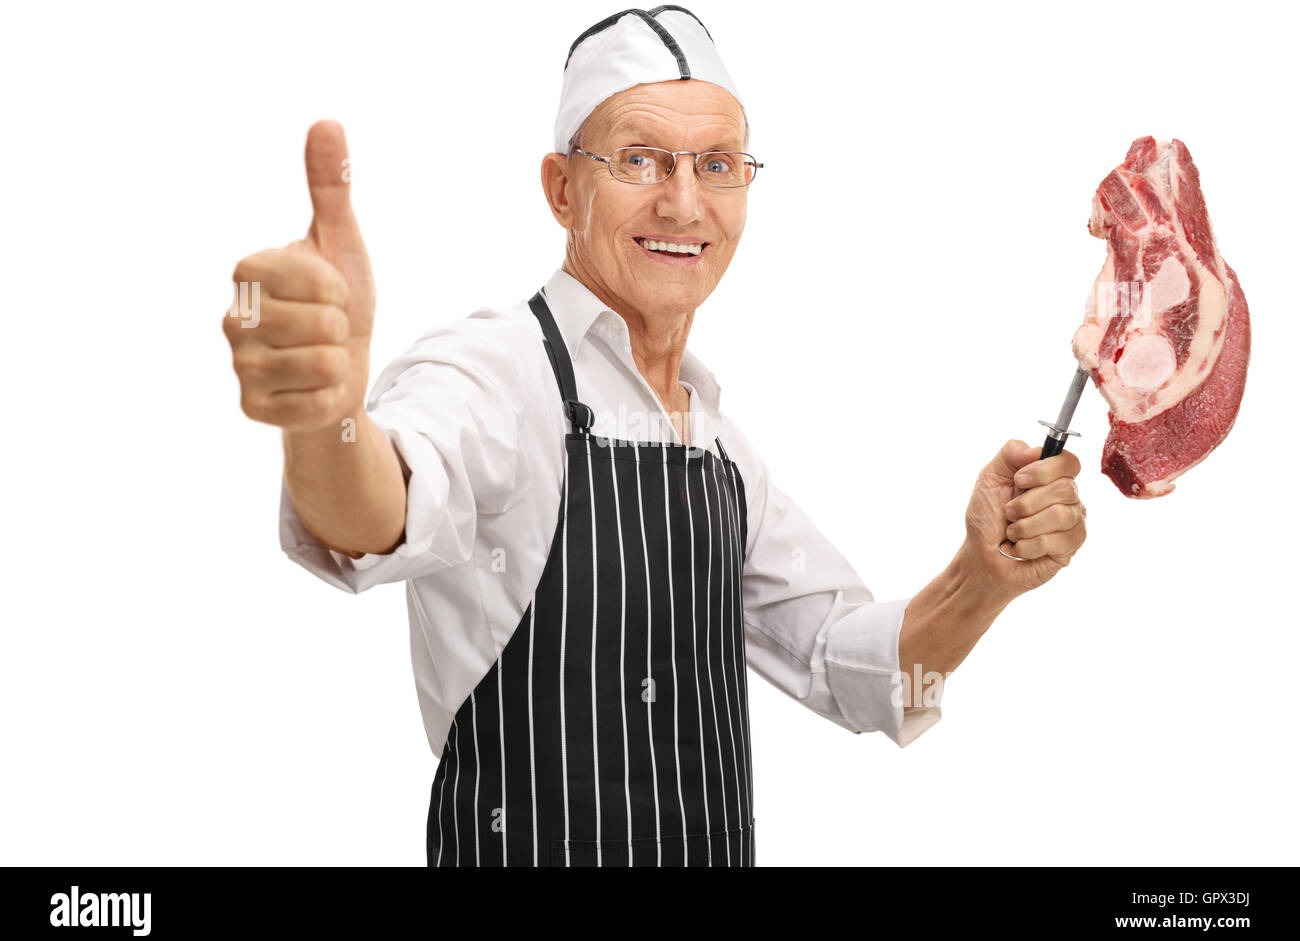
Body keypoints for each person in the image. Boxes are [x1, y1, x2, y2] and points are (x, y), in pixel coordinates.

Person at [221, 6, 1087, 867]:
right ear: (563, 188)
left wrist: (982, 579)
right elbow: (376, 512)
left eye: (717, 165)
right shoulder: (496, 371)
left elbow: (862, 677)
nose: (683, 202)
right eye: (640, 160)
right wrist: (324, 417)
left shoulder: (720, 450)